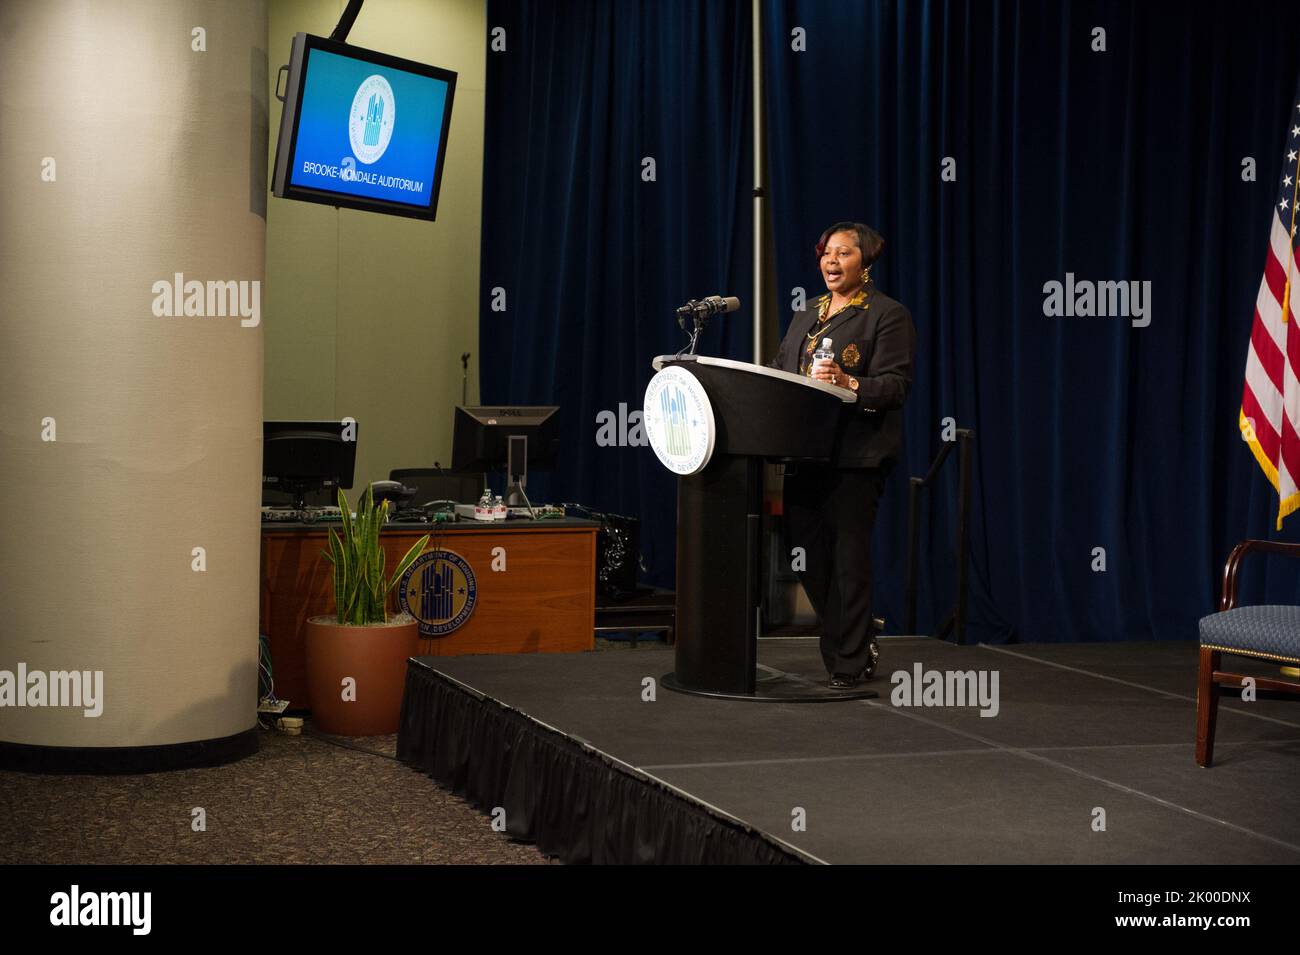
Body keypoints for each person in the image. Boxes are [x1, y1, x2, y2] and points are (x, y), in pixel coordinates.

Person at [768, 221, 915, 688]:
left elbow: (895, 387)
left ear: (865, 262)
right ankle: (853, 633)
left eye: (844, 253)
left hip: (856, 457)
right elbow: (780, 370)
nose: (831, 261)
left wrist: (849, 383)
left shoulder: (887, 315)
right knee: (808, 559)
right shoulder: (805, 314)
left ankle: (849, 661)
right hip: (804, 454)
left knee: (849, 559)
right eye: (826, 253)